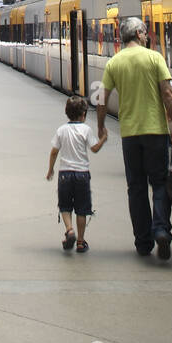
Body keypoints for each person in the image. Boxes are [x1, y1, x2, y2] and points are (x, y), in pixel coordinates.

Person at [96, 16, 172, 260]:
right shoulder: (154, 58)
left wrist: (101, 127)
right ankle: (161, 229)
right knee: (160, 183)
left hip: (130, 134)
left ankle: (143, 243)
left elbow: (101, 98)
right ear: (139, 34)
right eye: (145, 32)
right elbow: (168, 94)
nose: (146, 36)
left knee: (136, 188)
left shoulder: (114, 62)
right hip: (156, 132)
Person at [46, 95, 107, 251]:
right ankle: (80, 241)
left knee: (65, 206)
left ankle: (69, 230)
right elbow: (94, 148)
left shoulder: (61, 130)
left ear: (67, 113)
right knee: (82, 209)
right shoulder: (86, 130)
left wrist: (50, 169)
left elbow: (54, 152)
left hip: (65, 174)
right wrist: (103, 139)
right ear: (84, 114)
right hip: (82, 174)